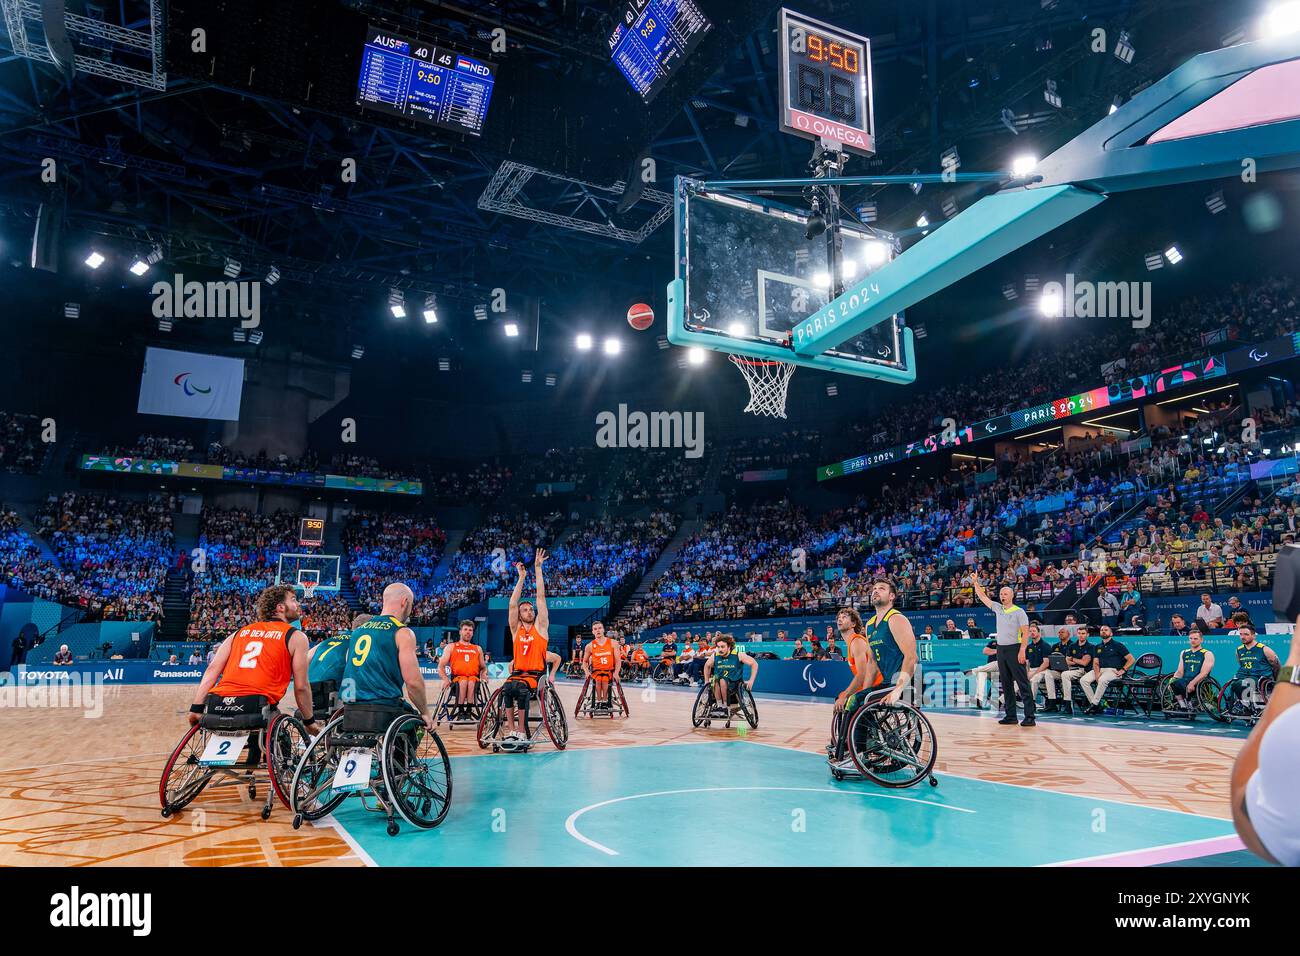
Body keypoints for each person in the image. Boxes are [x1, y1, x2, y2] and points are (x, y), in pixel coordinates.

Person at [188, 584, 319, 762]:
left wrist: (196, 709)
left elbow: (212, 670)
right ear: (280, 607)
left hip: (217, 705)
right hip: (255, 707)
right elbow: (301, 686)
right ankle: (278, 766)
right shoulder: (296, 636)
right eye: (293, 600)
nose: (298, 604)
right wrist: (309, 721)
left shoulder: (238, 633)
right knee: (276, 726)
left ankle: (251, 757)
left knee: (263, 716)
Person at [1231, 546, 1300, 865]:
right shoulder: (1239, 650)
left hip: (1268, 683)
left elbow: (1241, 799)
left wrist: (1294, 661)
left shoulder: (1291, 733)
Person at [831, 580, 918, 757]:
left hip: (906, 682)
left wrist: (898, 690)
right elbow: (872, 664)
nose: (876, 591)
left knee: (855, 700)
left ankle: (859, 753)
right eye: (874, 589)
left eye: (882, 589)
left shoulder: (896, 619)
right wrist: (864, 692)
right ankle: (850, 749)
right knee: (856, 699)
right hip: (886, 683)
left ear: (892, 596)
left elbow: (911, 657)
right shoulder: (870, 625)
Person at [340, 584, 432, 730]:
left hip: (350, 705)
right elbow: (413, 682)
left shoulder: (358, 631)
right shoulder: (402, 632)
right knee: (416, 724)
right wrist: (425, 712)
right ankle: (401, 753)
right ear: (404, 602)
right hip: (383, 706)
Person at [501, 550, 561, 749]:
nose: (529, 611)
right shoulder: (516, 630)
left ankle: (521, 730)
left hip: (535, 676)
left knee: (519, 689)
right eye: (524, 609)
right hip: (518, 674)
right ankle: (511, 731)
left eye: (530, 609)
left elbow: (541, 597)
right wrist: (521, 578)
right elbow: (511, 604)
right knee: (507, 689)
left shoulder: (540, 628)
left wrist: (537, 569)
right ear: (519, 615)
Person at [971, 571, 1034, 726]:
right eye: (1001, 594)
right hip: (1001, 650)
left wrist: (1022, 650)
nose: (1002, 596)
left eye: (1005, 594)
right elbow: (983, 597)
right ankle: (1011, 716)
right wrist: (975, 583)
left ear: (1011, 596)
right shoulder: (998, 608)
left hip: (1015, 649)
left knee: (1022, 683)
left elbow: (1025, 633)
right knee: (1006, 684)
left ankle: (1030, 717)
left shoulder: (1019, 612)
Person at [1079, 625, 1135, 715]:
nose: (1103, 631)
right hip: (1100, 669)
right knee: (1083, 680)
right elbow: (1096, 662)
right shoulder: (1098, 646)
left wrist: (1123, 670)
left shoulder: (1118, 645)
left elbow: (1131, 659)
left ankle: (1094, 704)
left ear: (1111, 633)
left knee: (1102, 680)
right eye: (1101, 630)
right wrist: (1097, 674)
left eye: (1106, 630)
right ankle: (1096, 705)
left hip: (1112, 671)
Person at [439, 619, 486, 719]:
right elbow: (440, 666)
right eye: (465, 629)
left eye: (470, 630)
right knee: (464, 681)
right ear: (460, 631)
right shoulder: (451, 647)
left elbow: (483, 667)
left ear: (473, 633)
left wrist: (484, 674)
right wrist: (445, 679)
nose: (468, 632)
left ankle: (468, 711)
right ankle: (460, 711)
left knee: (471, 681)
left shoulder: (477, 648)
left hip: (474, 680)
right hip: (457, 680)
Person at [702, 634, 757, 717]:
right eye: (718, 647)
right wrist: (706, 681)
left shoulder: (738, 655)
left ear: (729, 646)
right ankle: (720, 706)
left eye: (723, 647)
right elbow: (707, 666)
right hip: (718, 683)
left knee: (722, 680)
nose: (720, 649)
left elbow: (754, 664)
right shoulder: (715, 655)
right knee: (716, 679)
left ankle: (725, 707)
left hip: (734, 683)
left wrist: (751, 680)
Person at [1168, 627, 1214, 711]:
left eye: (1195, 639)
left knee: (1182, 683)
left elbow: (1204, 673)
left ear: (1201, 640)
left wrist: (1192, 683)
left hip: (1200, 681)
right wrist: (1172, 680)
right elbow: (1180, 671)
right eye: (1191, 638)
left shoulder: (1207, 653)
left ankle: (1190, 704)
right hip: (1185, 680)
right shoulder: (1184, 652)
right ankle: (1183, 706)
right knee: (1174, 682)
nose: (1193, 640)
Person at [581, 620, 621, 710]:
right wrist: (586, 672)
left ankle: (605, 701)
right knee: (599, 679)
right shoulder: (589, 646)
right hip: (596, 671)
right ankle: (599, 701)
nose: (598, 630)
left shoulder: (613, 643)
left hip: (609, 670)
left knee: (605, 679)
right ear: (593, 632)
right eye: (595, 629)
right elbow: (584, 661)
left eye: (599, 628)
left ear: (603, 630)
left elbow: (618, 661)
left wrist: (616, 673)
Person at [1059, 625, 1095, 716]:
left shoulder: (1091, 647)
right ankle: (1068, 704)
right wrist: (1077, 661)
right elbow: (1067, 661)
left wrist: (1073, 659)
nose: (1081, 635)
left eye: (1083, 634)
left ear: (1087, 635)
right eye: (1079, 633)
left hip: (1086, 670)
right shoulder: (1072, 646)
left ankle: (1094, 705)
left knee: (1067, 675)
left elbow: (1085, 663)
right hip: (1074, 670)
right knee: (1064, 674)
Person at [1025, 624, 1058, 713]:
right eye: (1030, 631)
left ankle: (1032, 704)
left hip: (1042, 670)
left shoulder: (1045, 645)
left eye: (1034, 631)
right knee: (1018, 682)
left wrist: (1033, 673)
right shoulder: (1029, 647)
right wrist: (1027, 672)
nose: (1032, 633)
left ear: (1039, 633)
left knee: (1034, 680)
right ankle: (1001, 701)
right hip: (1031, 670)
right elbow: (1027, 663)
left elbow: (1046, 663)